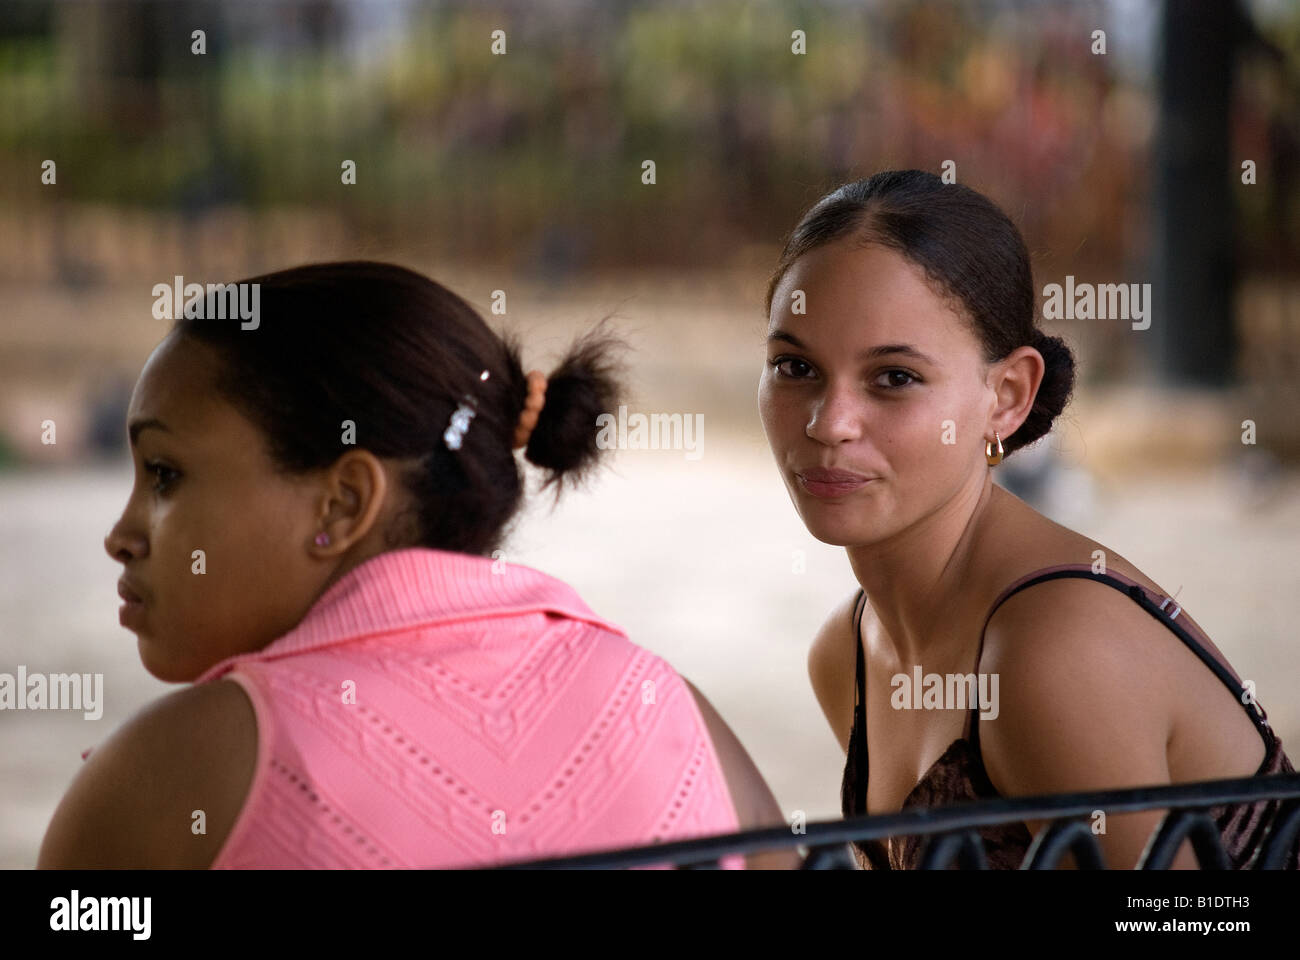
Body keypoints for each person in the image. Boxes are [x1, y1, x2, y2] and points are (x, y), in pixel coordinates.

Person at [39, 260, 796, 869]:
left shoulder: (173, 771)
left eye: (166, 475)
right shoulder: (670, 706)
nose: (122, 534)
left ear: (342, 503)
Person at [759, 170, 1299, 870]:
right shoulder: (847, 654)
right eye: (794, 366)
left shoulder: (1051, 654)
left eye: (893, 377)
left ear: (1007, 397)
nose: (828, 423)